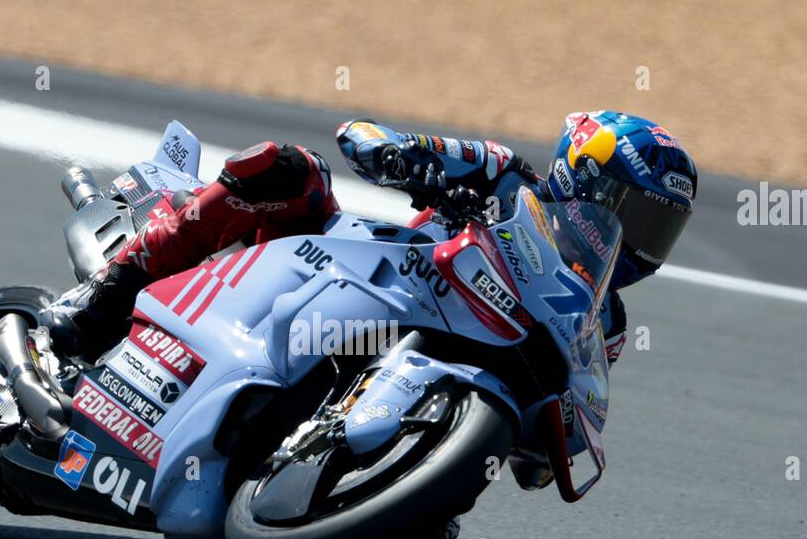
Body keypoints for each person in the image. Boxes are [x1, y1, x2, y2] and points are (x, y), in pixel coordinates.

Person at [41, 111, 699, 370]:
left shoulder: (598, 321)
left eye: (659, 228)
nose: (639, 242)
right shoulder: (504, 175)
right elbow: (366, 136)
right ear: (579, 177)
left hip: (416, 360)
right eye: (632, 213)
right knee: (288, 171)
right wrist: (402, 160)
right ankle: (102, 303)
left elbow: (545, 445)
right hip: (353, 265)